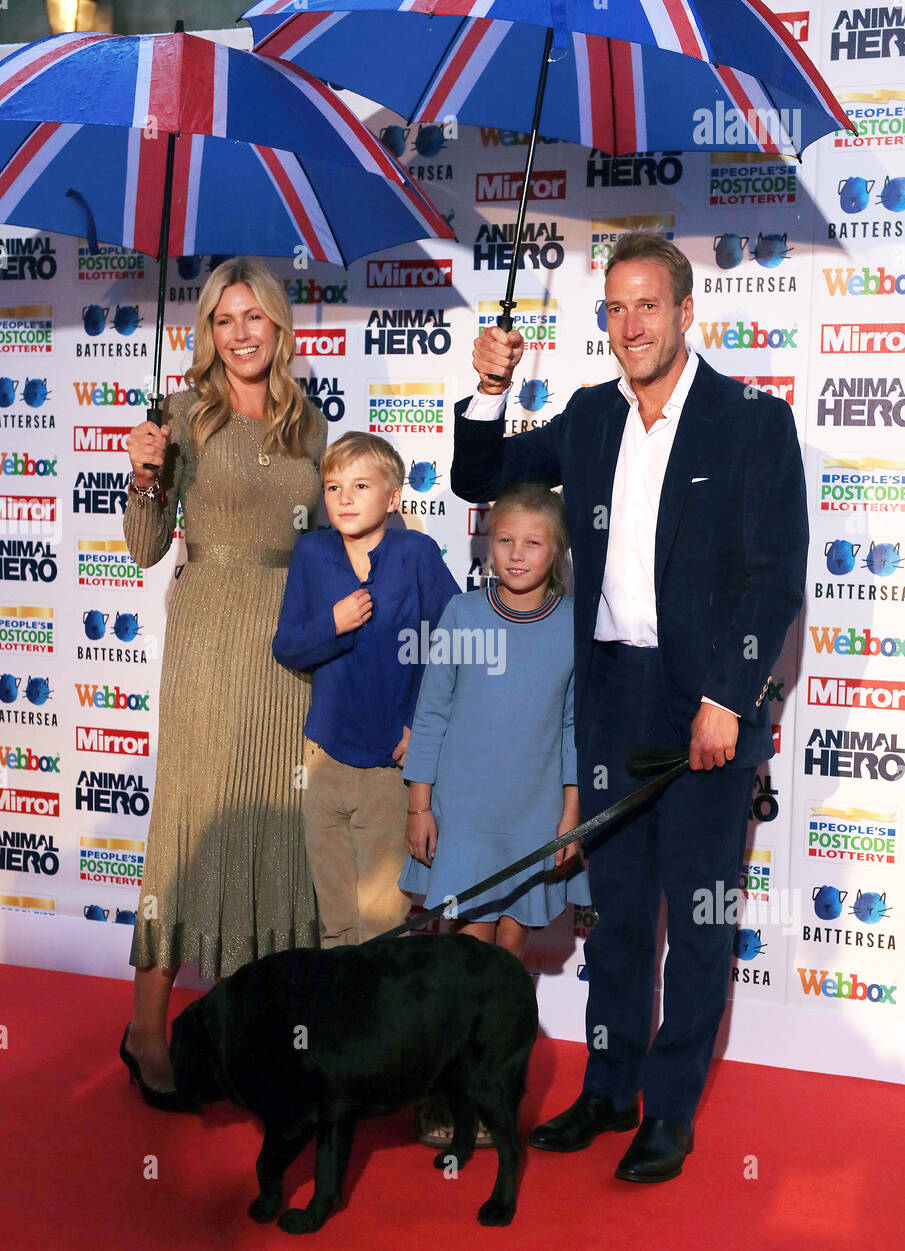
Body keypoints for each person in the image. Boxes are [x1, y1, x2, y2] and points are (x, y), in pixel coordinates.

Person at [451, 231, 808, 1182]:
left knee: (694, 920)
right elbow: (476, 480)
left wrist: (727, 698)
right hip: (611, 695)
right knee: (614, 912)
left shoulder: (750, 422)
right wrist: (488, 390)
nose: (629, 324)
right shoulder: (587, 415)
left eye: (647, 304)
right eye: (613, 308)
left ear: (686, 313)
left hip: (707, 705)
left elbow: (774, 583)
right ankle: (606, 1090)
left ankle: (669, 1110)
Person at [119, 256, 327, 1109]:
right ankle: (145, 1029)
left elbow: (324, 534)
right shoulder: (177, 417)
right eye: (223, 319)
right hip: (209, 633)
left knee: (278, 832)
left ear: (279, 327)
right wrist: (141, 474)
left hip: (292, 646)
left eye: (254, 318)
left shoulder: (306, 423)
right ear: (205, 332)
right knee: (192, 824)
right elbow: (142, 547)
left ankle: (260, 1035)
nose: (240, 334)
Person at [400, 483, 590, 1145]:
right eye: (504, 540)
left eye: (533, 542)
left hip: (534, 819)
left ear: (558, 550)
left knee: (507, 973)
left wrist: (570, 816)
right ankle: (441, 1097)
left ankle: (491, 1098)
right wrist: (418, 804)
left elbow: (573, 726)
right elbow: (431, 713)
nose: (516, 554)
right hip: (463, 816)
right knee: (461, 968)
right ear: (486, 543)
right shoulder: (461, 613)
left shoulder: (571, 626)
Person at [272, 431, 459, 948]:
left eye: (360, 485)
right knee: (335, 923)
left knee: (382, 924)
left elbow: (450, 644)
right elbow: (286, 645)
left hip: (390, 767)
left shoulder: (416, 553)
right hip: (325, 757)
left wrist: (419, 726)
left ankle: (380, 1026)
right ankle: (339, 1028)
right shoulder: (311, 552)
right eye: (332, 488)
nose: (344, 499)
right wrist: (332, 622)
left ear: (393, 497)